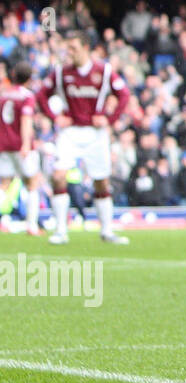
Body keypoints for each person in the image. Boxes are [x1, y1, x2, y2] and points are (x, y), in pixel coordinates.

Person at [35, 30, 131, 245]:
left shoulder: (103, 71)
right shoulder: (61, 73)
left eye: (74, 48)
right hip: (69, 132)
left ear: (86, 48)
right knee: (58, 175)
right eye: (68, 48)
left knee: (101, 181)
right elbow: (41, 94)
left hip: (95, 133)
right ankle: (61, 230)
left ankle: (106, 230)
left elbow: (123, 94)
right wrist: (54, 117)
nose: (69, 53)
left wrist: (110, 118)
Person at [0, 61, 43, 236]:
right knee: (31, 183)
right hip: (20, 145)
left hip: (3, 145)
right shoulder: (27, 96)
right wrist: (26, 144)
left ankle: (8, 221)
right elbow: (26, 121)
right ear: (30, 78)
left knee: (4, 184)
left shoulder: (3, 94)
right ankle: (32, 226)